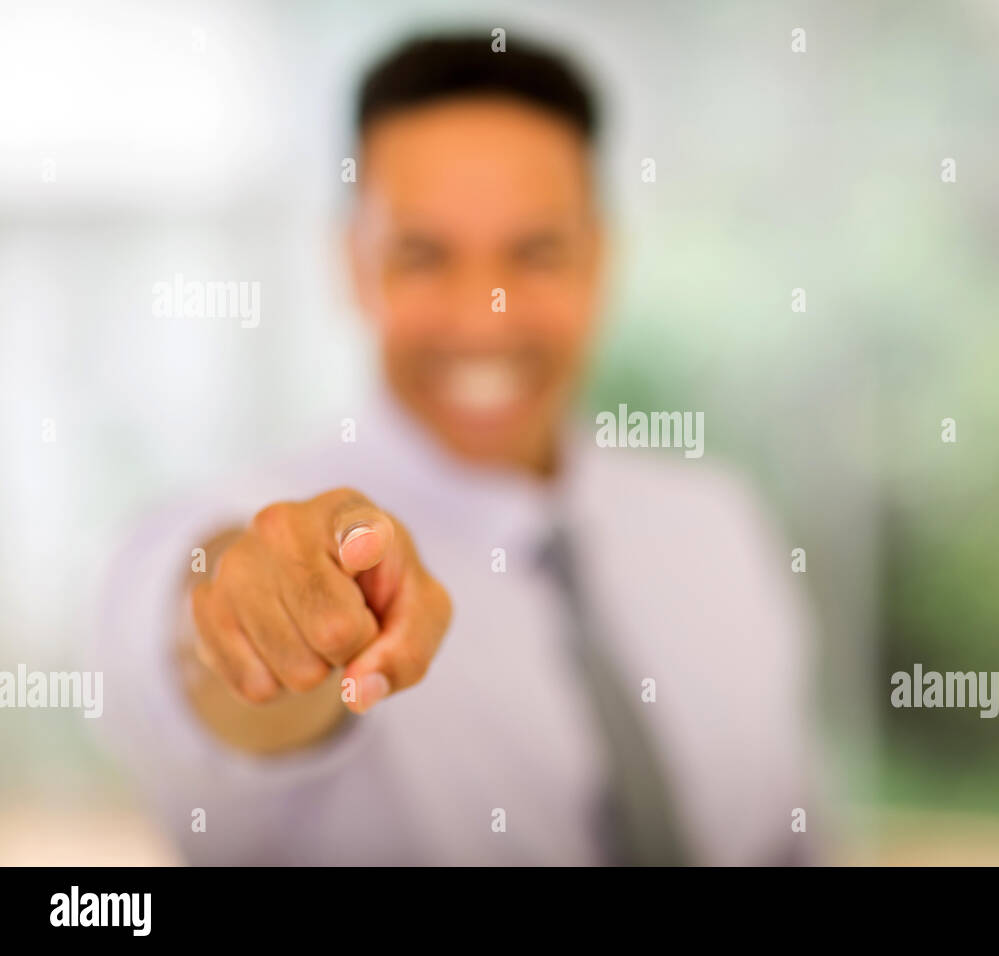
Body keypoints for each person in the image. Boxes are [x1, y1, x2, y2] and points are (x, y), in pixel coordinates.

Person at [94, 33, 823, 865]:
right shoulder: (244, 522)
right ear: (354, 265)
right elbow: (199, 643)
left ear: (599, 258)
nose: (483, 316)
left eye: (535, 252)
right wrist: (260, 619)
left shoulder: (718, 527)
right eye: (424, 255)